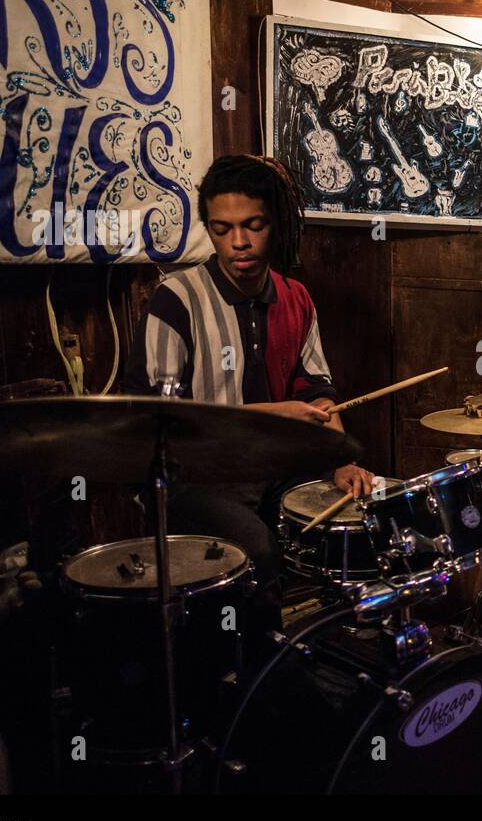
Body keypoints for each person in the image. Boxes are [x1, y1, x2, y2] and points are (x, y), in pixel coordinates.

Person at [124, 154, 376, 630]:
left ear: (274, 224)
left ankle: (334, 645)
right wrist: (276, 414)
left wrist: (342, 457)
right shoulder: (176, 300)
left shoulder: (295, 297)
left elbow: (319, 390)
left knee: (359, 517)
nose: (238, 242)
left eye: (253, 225)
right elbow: (160, 419)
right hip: (196, 478)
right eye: (221, 229)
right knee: (256, 550)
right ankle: (256, 674)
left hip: (277, 469)